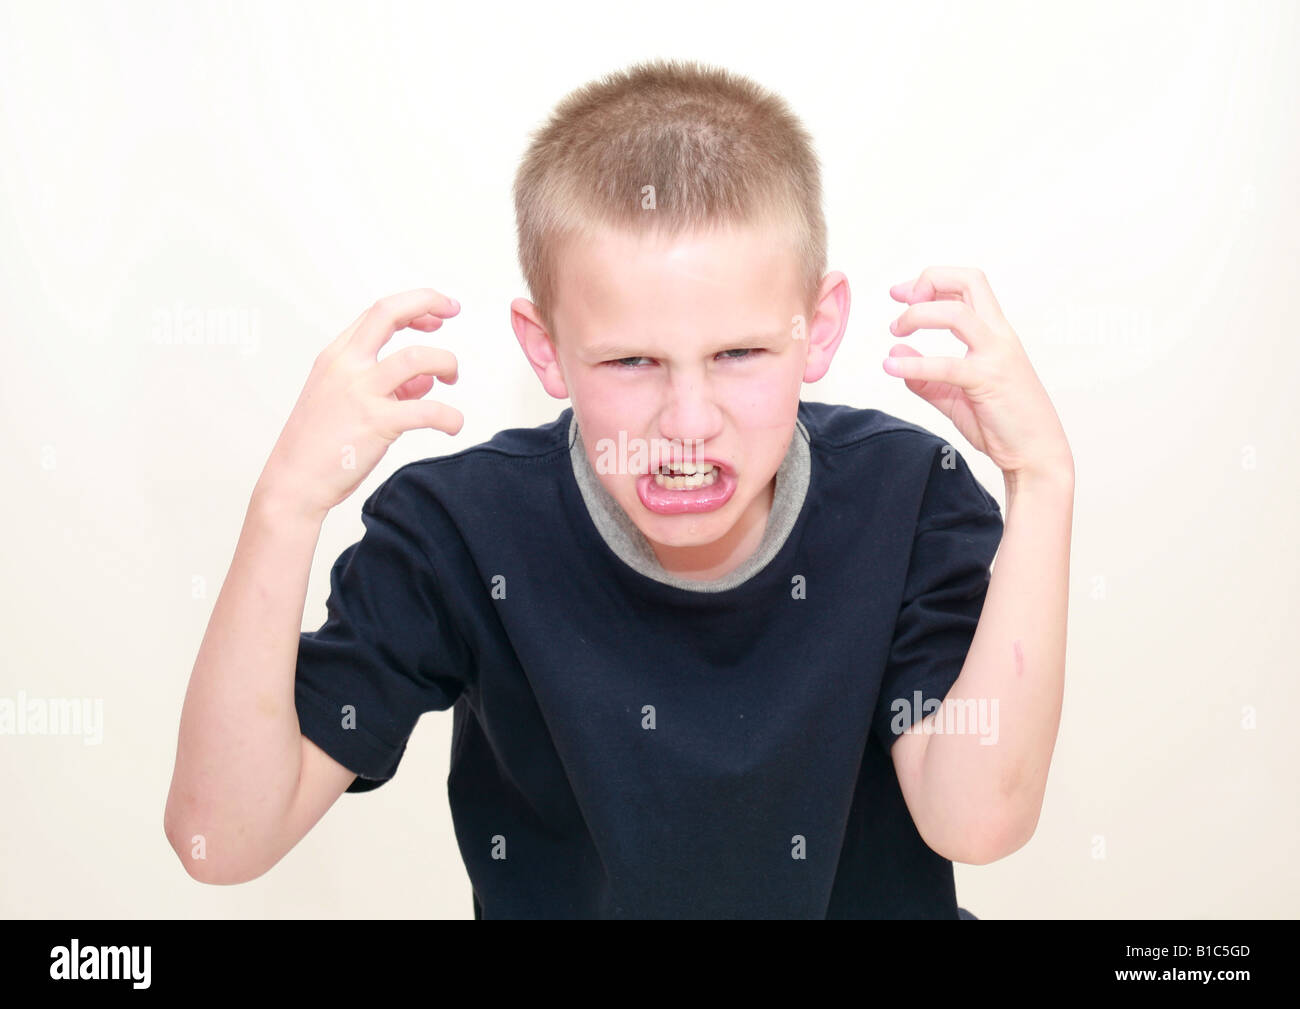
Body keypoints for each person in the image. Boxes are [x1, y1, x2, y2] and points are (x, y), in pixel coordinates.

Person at [164, 58, 1075, 919]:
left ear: (819, 328)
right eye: (632, 360)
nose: (687, 422)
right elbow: (221, 840)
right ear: (546, 348)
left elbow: (976, 822)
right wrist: (285, 503)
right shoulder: (460, 530)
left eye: (739, 354)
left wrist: (1043, 480)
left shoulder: (908, 493)